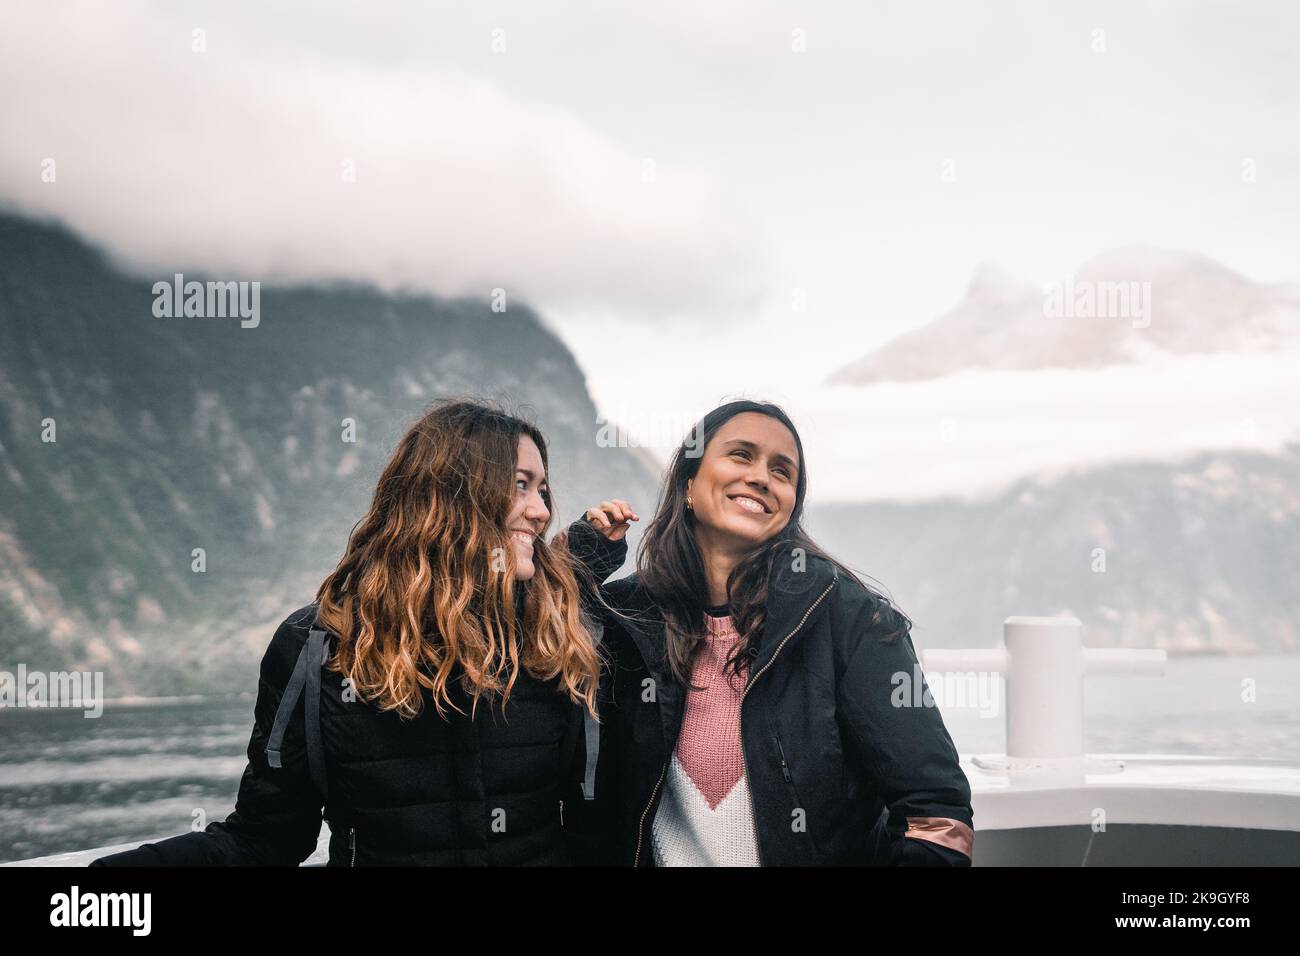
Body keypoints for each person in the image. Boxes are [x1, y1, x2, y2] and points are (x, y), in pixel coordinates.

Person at [92, 399, 632, 866]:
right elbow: (265, 840)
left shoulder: (553, 638)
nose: (541, 511)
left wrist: (588, 546)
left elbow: (596, 830)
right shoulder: (317, 647)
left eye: (543, 488)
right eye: (520, 486)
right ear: (447, 498)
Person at [585, 399, 974, 866]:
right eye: (741, 455)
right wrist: (583, 559)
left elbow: (938, 818)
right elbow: (519, 652)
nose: (761, 478)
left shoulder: (847, 618)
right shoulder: (630, 617)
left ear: (789, 508)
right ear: (688, 483)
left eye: (782, 471)